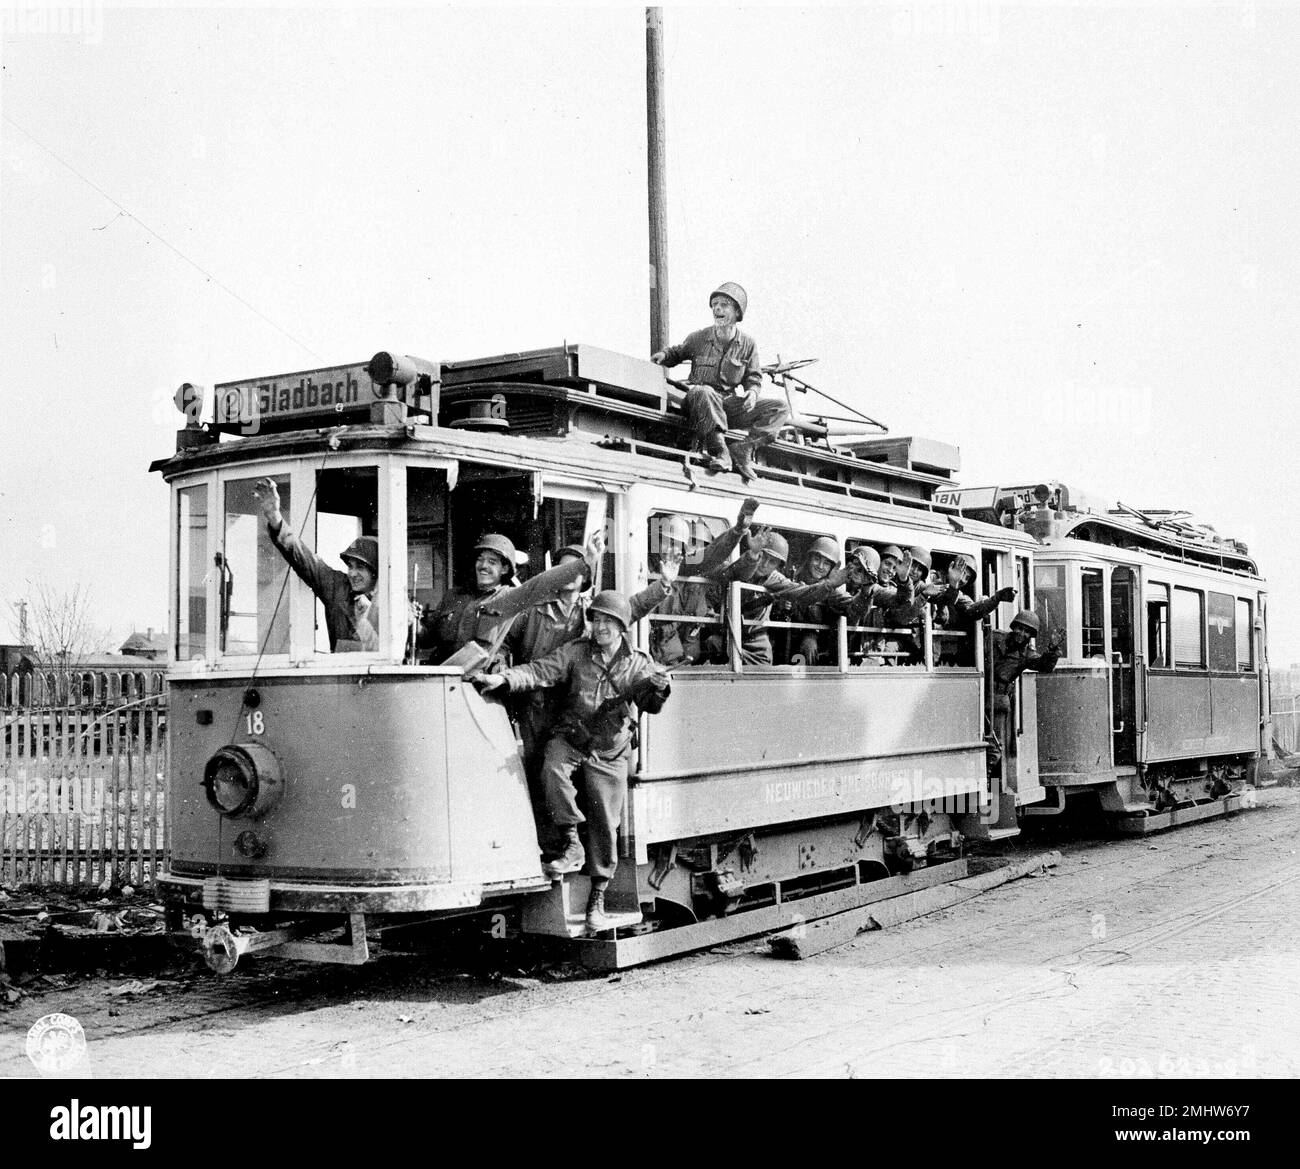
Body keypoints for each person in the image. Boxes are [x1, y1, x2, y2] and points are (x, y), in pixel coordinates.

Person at [474, 590, 671, 933]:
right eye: (597, 620)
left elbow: (650, 705)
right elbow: (540, 670)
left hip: (610, 749)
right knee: (552, 768)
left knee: (605, 823)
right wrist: (503, 678)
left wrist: (660, 688)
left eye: (610, 621)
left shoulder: (639, 663)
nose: (601, 627)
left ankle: (597, 896)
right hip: (573, 737)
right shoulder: (577, 652)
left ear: (623, 626)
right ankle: (571, 841)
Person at [505, 543, 677, 832]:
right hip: (539, 702)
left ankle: (575, 842)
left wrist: (663, 585)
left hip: (576, 705)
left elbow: (630, 608)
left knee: (581, 779)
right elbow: (506, 642)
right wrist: (502, 672)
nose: (570, 573)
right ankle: (555, 844)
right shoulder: (532, 609)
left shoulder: (592, 611)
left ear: (586, 575)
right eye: (563, 567)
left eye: (579, 566)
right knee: (540, 774)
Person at [651, 282, 789, 485]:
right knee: (704, 391)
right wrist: (663, 355)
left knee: (779, 407)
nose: (717, 309)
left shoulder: (748, 344)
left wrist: (752, 392)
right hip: (698, 403)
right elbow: (677, 352)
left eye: (724, 305)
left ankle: (745, 448)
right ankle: (720, 451)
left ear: (737, 312)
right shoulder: (699, 338)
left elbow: (754, 377)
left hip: (727, 405)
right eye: (715, 304)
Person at [693, 500, 843, 665]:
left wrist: (829, 584)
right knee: (712, 644)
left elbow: (801, 593)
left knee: (765, 665)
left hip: (755, 640)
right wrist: (753, 555)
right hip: (726, 633)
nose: (765, 564)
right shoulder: (741, 565)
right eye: (763, 556)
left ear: (778, 566)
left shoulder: (775, 578)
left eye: (772, 562)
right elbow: (739, 572)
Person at [420, 530, 603, 665]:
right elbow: (426, 639)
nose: (483, 566)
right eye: (480, 559)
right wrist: (410, 622)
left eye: (492, 562)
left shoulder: (508, 598)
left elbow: (542, 583)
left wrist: (585, 562)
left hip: (478, 690)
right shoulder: (452, 597)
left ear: (505, 569)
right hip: (441, 683)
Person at [252, 477, 382, 653]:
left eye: (360, 567)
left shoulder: (391, 599)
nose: (352, 573)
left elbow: (420, 637)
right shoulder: (337, 587)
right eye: (350, 566)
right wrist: (274, 517)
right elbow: (304, 559)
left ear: (376, 570)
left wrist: (371, 614)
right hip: (339, 678)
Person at [986, 609, 1063, 770]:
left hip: (997, 701)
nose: (1021, 633)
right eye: (1020, 628)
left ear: (1030, 636)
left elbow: (1045, 665)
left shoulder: (1027, 655)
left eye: (1027, 631)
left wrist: (1053, 650)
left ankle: (990, 788)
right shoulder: (994, 637)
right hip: (978, 695)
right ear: (1013, 627)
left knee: (994, 749)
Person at [647, 514, 717, 666]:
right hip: (652, 641)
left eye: (677, 544)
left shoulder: (682, 569)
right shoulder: (644, 566)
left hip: (673, 642)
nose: (670, 548)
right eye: (666, 541)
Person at [826, 545, 915, 663]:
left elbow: (900, 600)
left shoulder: (872, 588)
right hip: (837, 654)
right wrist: (866, 592)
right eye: (857, 564)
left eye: (865, 568)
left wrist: (904, 579)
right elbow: (851, 609)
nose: (859, 571)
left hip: (863, 654)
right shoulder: (838, 584)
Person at [932, 554, 1017, 666]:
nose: (962, 579)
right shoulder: (933, 578)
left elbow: (972, 609)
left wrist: (997, 598)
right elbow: (942, 598)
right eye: (962, 573)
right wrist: (953, 586)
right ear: (951, 567)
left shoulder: (956, 592)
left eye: (967, 578)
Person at [771, 535, 840, 664]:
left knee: (808, 646)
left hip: (813, 639)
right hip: (786, 634)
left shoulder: (831, 590)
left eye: (826, 563)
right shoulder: (792, 580)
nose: (820, 566)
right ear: (809, 559)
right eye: (817, 559)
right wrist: (780, 605)